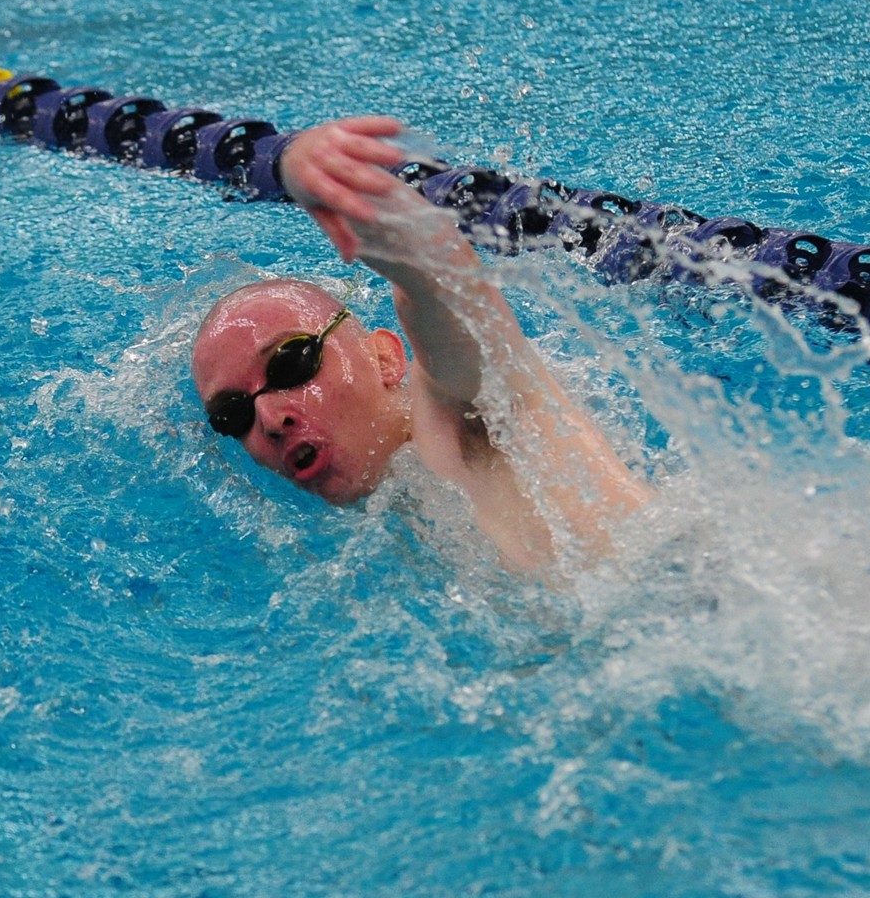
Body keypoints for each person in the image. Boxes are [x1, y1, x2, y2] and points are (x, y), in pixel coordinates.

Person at [190, 116, 652, 572]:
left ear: (385, 358)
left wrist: (311, 170)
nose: (271, 419)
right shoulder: (387, 528)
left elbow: (436, 271)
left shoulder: (471, 413)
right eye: (234, 413)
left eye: (291, 364)